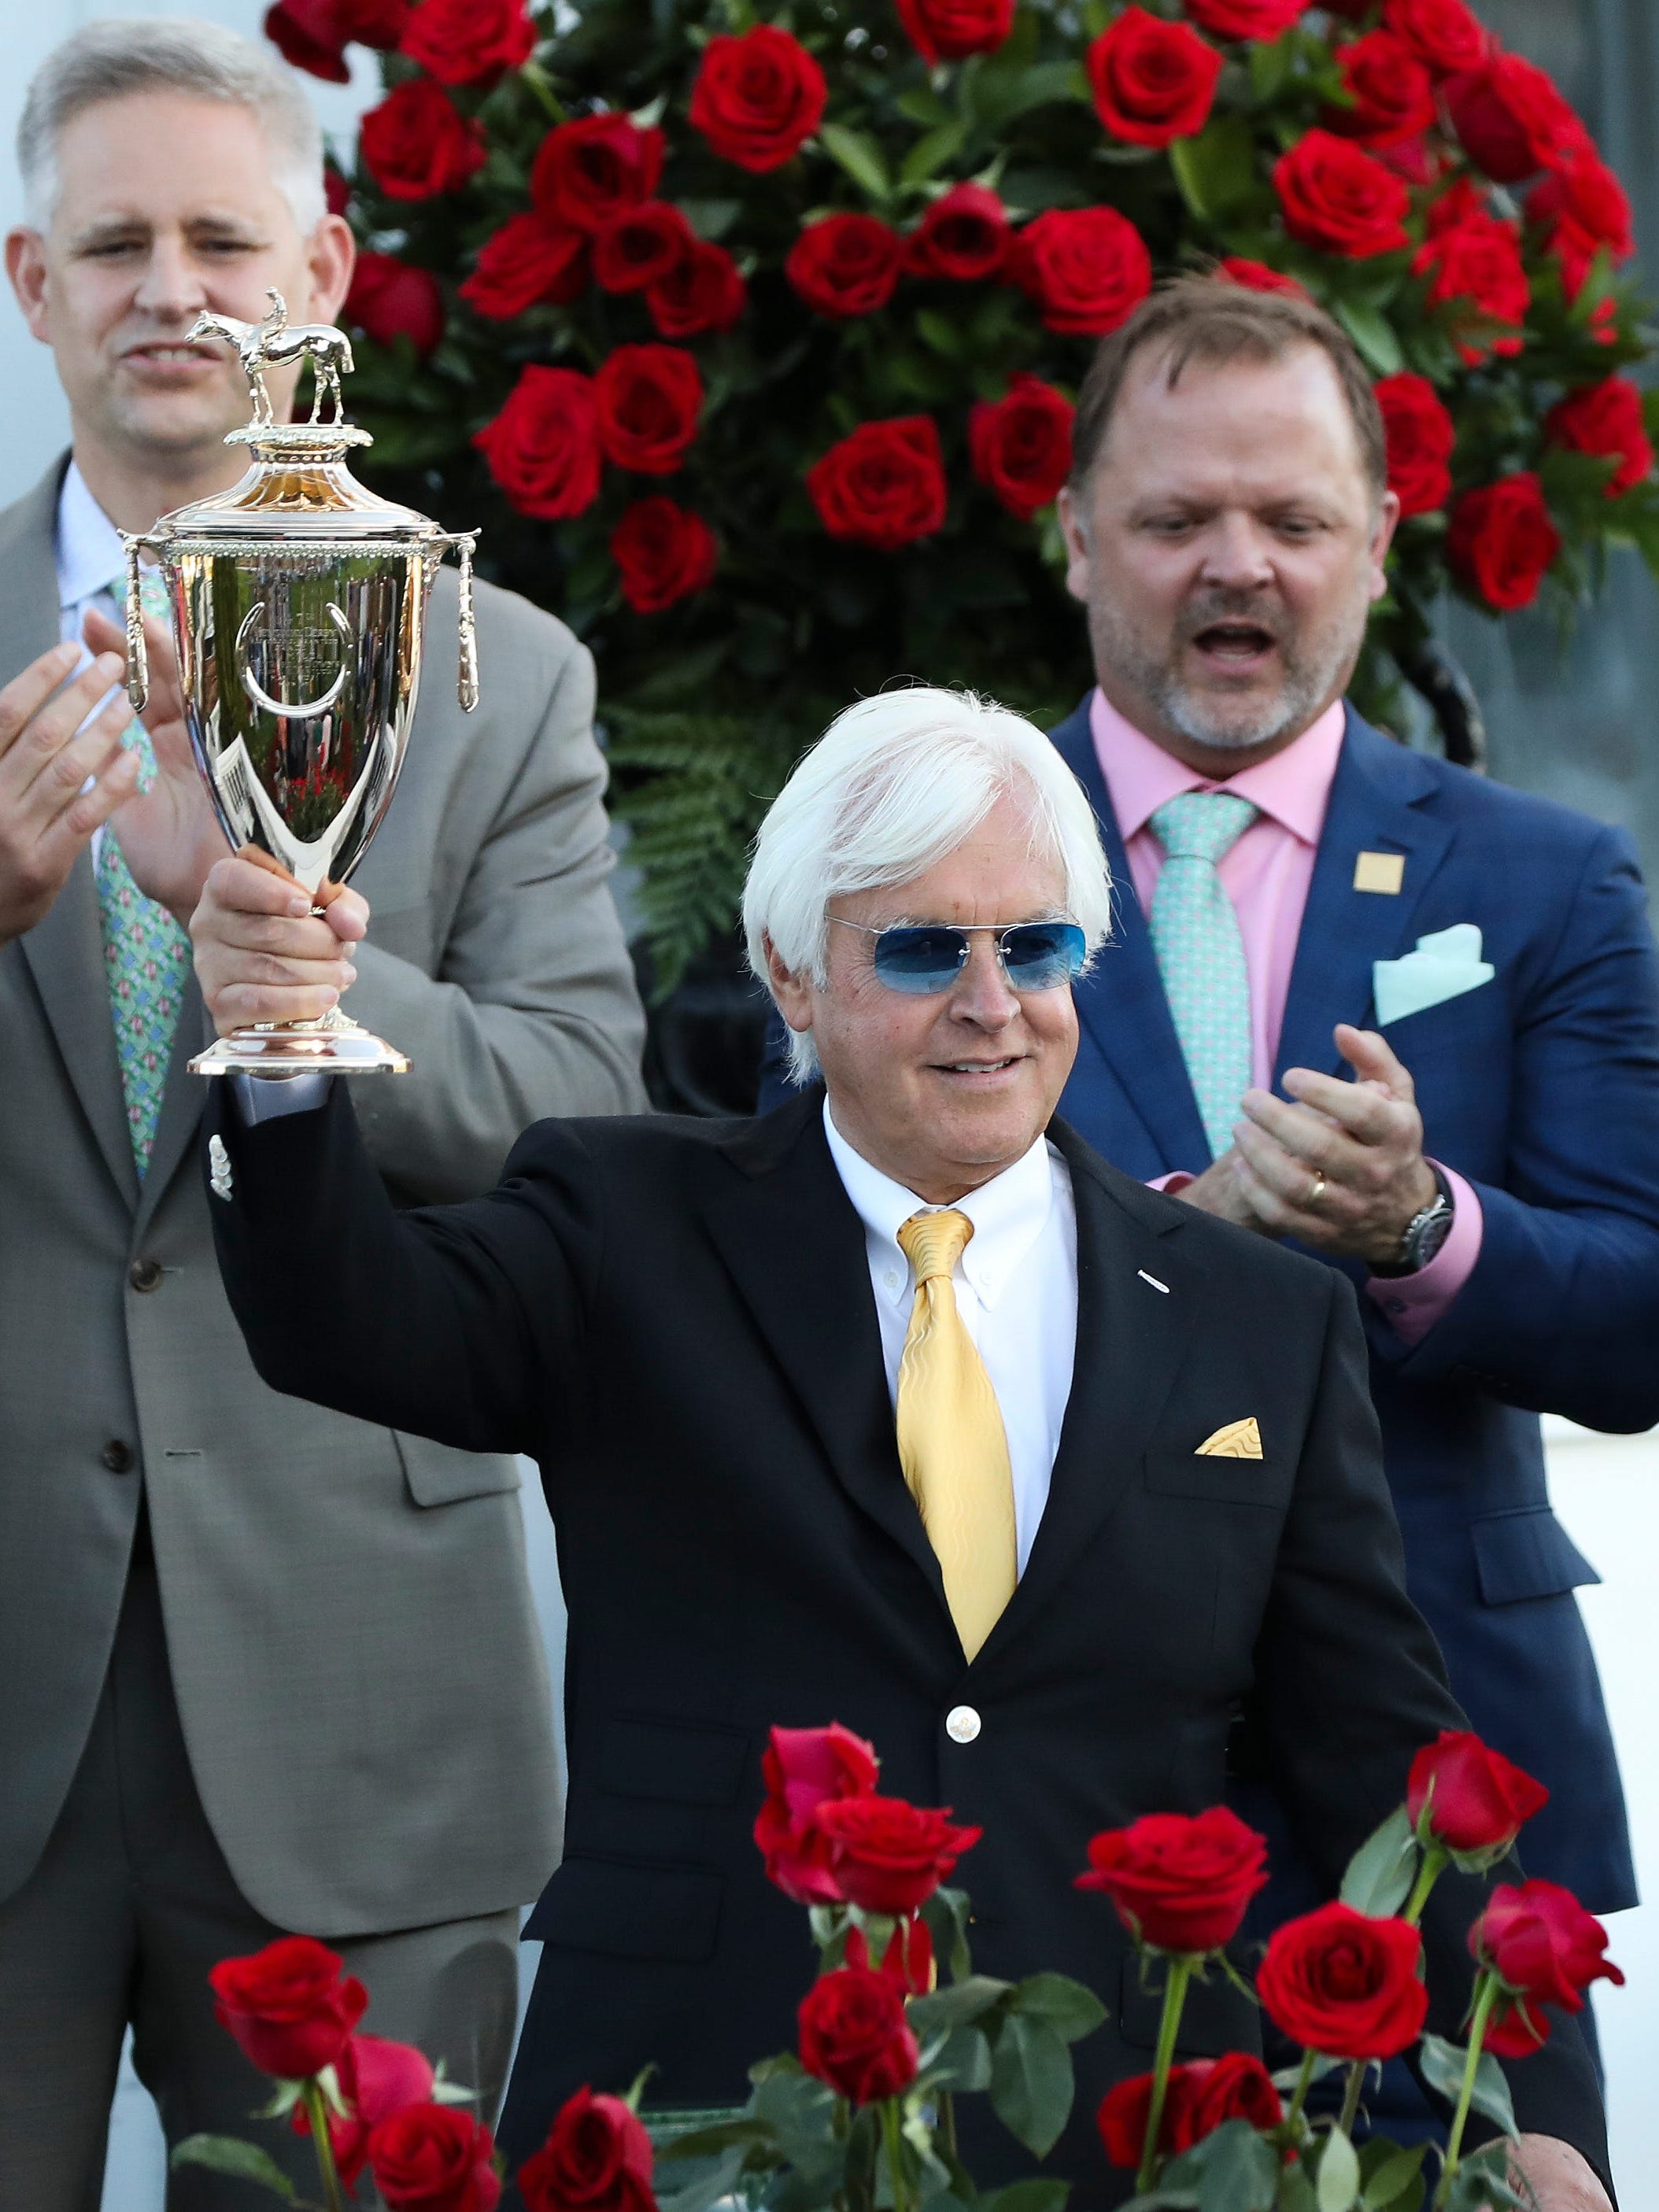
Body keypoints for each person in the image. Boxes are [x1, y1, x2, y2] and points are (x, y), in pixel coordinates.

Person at [193, 684, 1612, 2209]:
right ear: (791, 976)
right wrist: (280, 1041)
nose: (992, 1002)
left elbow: (1387, 1761)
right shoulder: (626, 1225)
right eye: (927, 949)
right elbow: (345, 1319)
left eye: (1037, 946)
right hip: (697, 2114)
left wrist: (1539, 2121)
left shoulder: (1257, 1315)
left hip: (1117, 2138)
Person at [756, 275, 1659, 2011]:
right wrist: (1171, 1230)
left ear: (1379, 545)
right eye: (1177, 521)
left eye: (1292, 522)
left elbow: (1638, 1322)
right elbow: (796, 1255)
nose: (1237, 566)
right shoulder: (897, 856)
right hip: (1026, 1764)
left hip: (1448, 1769)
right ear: (1076, 541)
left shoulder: (1546, 878)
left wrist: (1423, 1226)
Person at [0, 20, 645, 2206]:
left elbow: (579, 1104)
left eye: (223, 238)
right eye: (116, 245)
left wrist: (284, 957)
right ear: (33, 286)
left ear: (326, 275)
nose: (172, 289)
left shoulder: (502, 670)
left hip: (363, 1695)